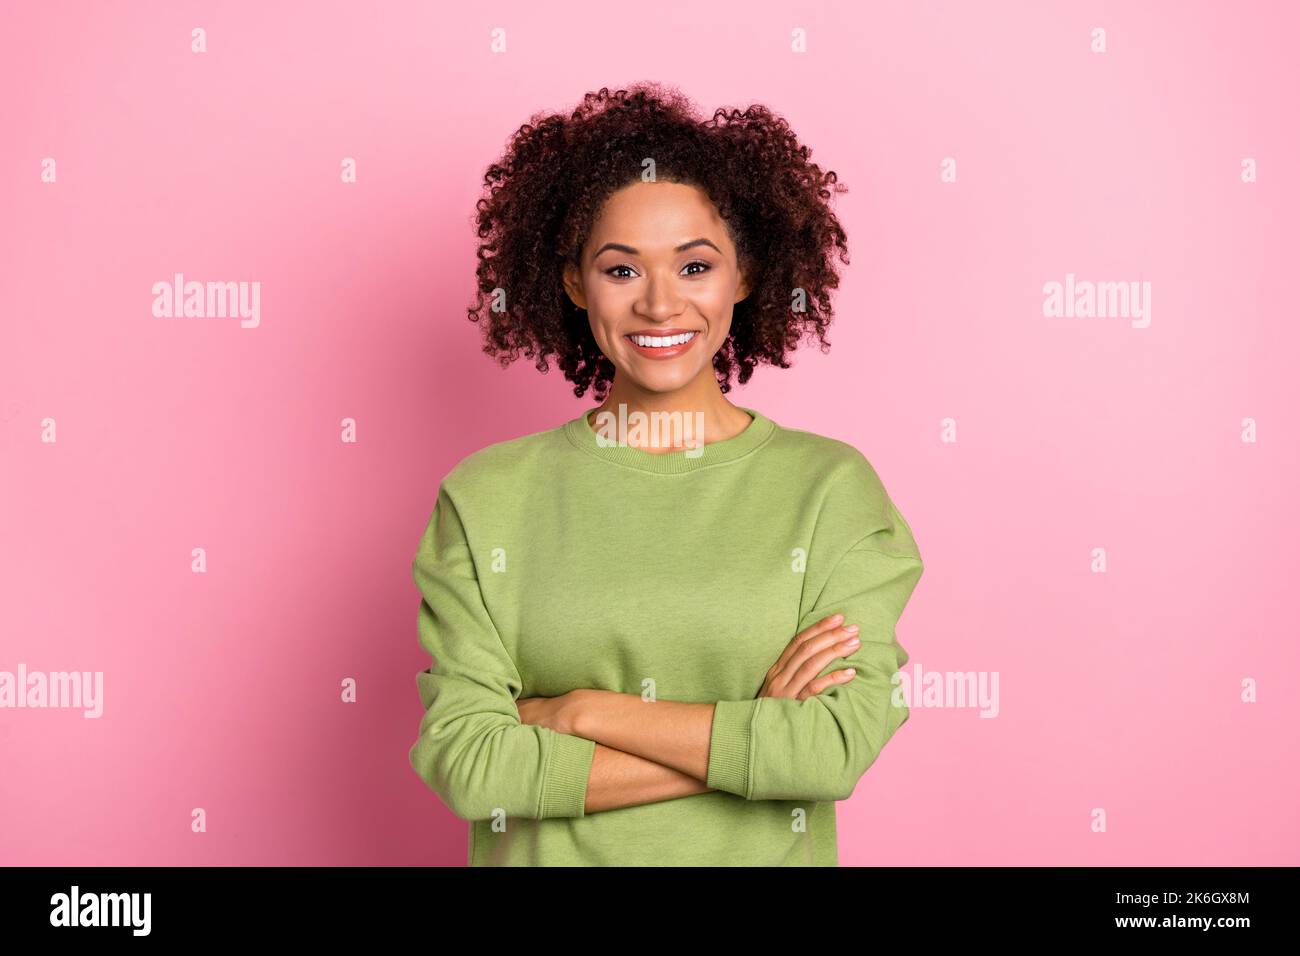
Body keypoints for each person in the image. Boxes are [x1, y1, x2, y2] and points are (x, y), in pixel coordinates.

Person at [408, 83, 925, 866]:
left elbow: (830, 750)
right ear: (576, 283)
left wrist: (581, 713)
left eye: (693, 265)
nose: (659, 304)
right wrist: (749, 738)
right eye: (621, 270)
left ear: (744, 276)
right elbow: (473, 768)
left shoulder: (829, 491)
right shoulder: (486, 498)